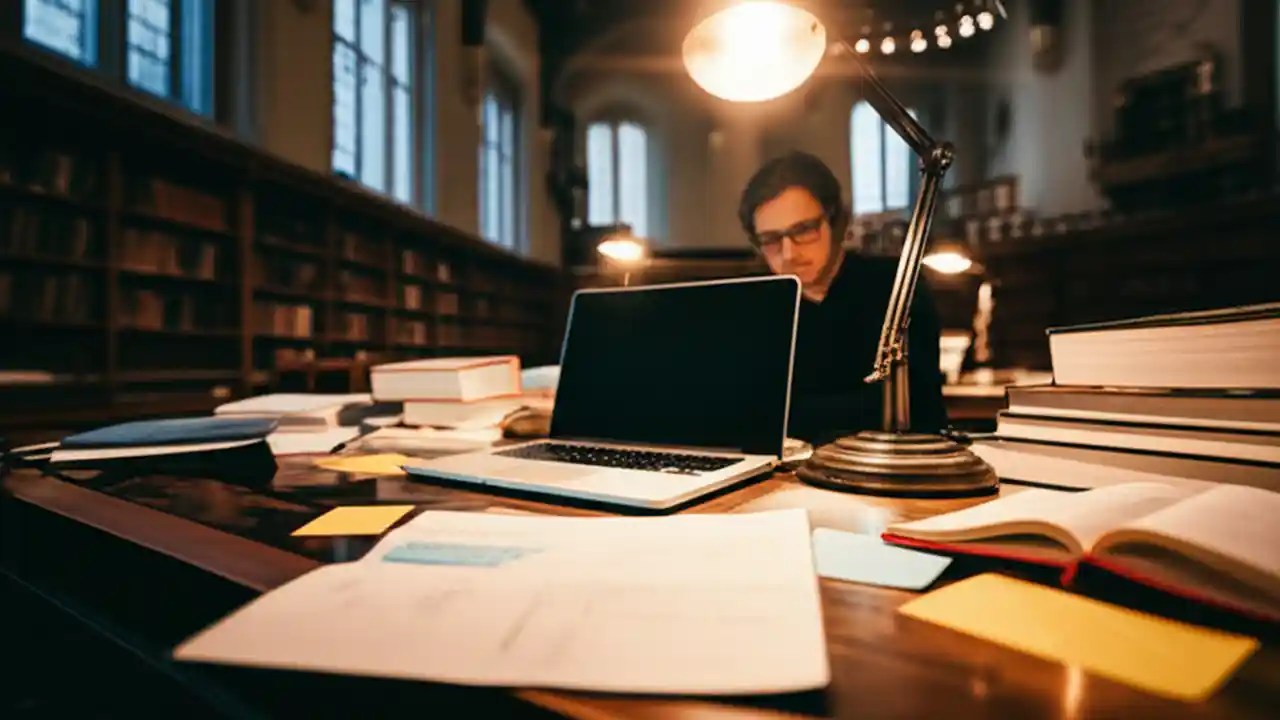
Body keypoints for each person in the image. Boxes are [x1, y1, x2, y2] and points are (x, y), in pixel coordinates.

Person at [738, 150, 947, 444]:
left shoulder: (896, 286)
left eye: (803, 230)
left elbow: (914, 407)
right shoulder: (757, 305)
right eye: (771, 240)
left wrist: (791, 413)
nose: (789, 253)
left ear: (836, 221)